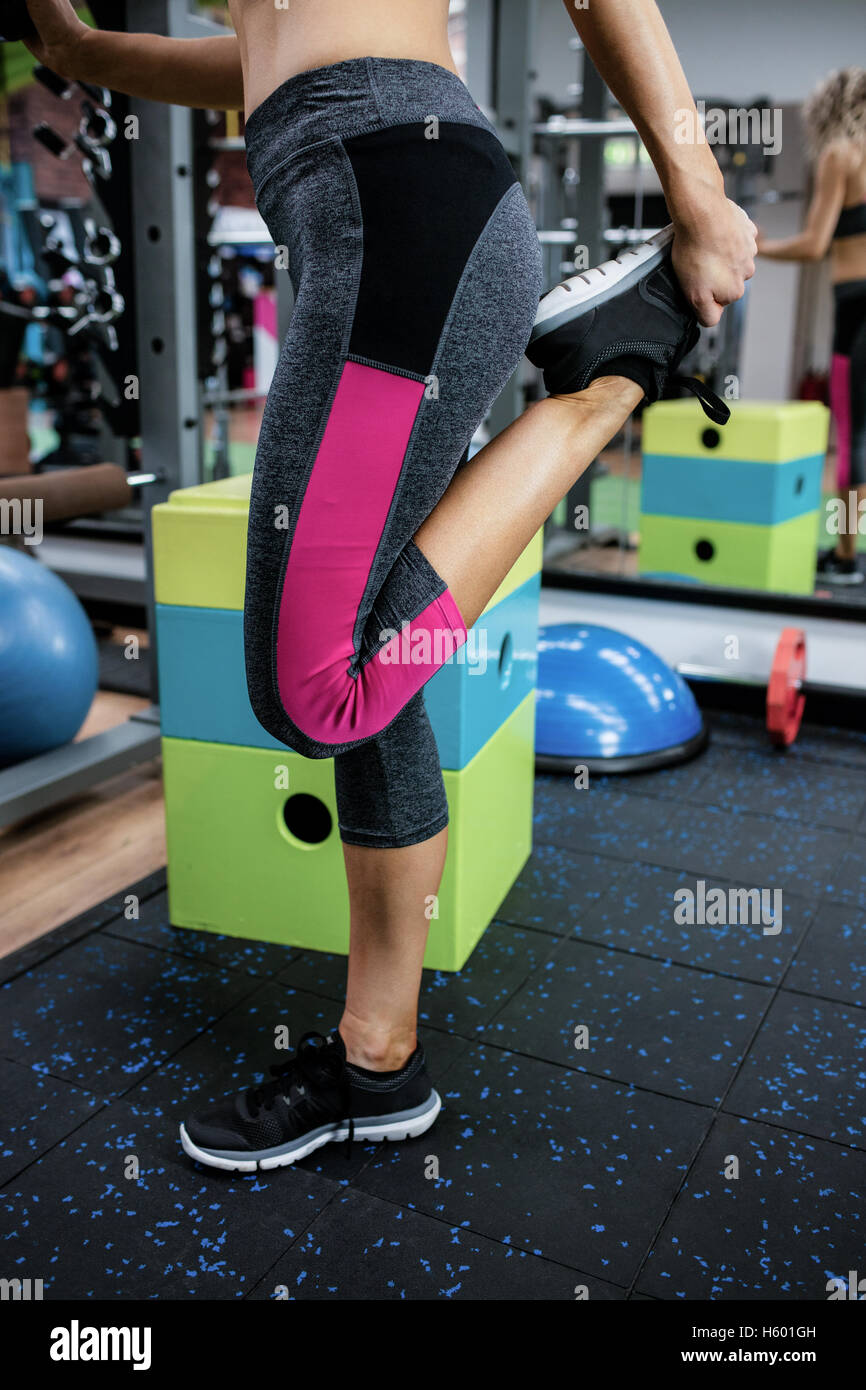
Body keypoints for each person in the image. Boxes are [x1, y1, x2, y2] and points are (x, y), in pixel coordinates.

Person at [22, 0, 755, 1170]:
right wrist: (82, 55)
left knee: (316, 691)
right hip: (356, 207)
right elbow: (266, 53)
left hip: (397, 215)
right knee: (369, 669)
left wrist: (698, 194)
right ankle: (380, 1062)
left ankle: (616, 371)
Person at [757, 67, 866, 586]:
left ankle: (847, 557)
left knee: (854, 438)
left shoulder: (841, 154)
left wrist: (757, 248)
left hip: (857, 310)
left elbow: (814, 245)